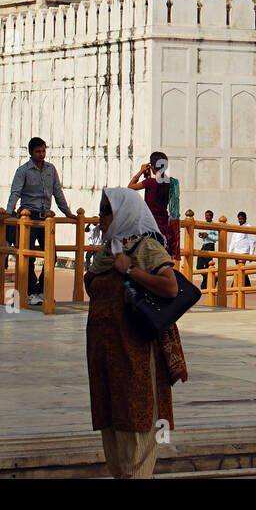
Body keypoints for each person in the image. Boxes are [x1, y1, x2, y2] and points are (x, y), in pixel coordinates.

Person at [83, 187, 187, 479]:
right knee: (111, 424)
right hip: (105, 354)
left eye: (107, 211)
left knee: (135, 421)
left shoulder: (146, 248)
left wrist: (130, 272)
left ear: (124, 213)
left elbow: (171, 287)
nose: (101, 217)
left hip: (135, 353)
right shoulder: (107, 250)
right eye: (101, 210)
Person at [7, 137, 71, 306]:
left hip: (46, 218)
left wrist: (68, 213)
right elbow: (15, 193)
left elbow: (57, 193)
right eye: (38, 151)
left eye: (43, 151)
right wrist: (8, 213)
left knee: (51, 255)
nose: (41, 154)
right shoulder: (23, 171)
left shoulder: (50, 169)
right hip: (28, 217)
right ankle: (29, 292)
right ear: (31, 152)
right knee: (27, 256)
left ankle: (42, 290)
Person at [128, 151, 180, 259]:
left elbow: (130, 186)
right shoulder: (169, 183)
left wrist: (140, 171)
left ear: (152, 166)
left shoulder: (150, 183)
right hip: (163, 224)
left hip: (148, 224)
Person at [228, 211, 256, 289]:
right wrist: (230, 251)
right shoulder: (236, 226)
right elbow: (233, 240)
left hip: (244, 251)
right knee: (239, 268)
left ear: (245, 219)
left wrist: (251, 254)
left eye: (242, 219)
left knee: (240, 268)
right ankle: (247, 284)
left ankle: (234, 284)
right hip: (236, 251)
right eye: (239, 219)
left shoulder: (248, 227)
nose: (240, 220)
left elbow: (252, 241)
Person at [195, 209, 217, 288]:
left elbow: (216, 238)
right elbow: (204, 236)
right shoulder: (204, 224)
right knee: (199, 266)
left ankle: (205, 284)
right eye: (206, 216)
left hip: (210, 246)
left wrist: (208, 236)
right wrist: (201, 235)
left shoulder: (214, 226)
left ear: (212, 217)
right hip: (204, 245)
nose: (207, 217)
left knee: (208, 266)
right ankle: (212, 278)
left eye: (208, 216)